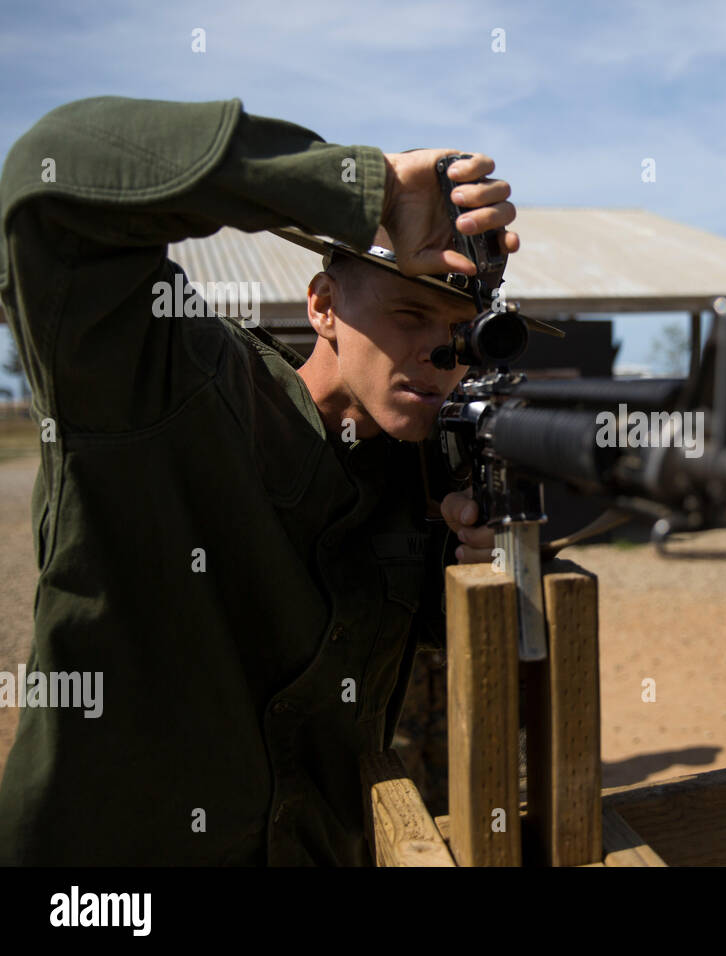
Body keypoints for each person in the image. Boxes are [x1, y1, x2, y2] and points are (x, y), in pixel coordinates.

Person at [0, 95, 510, 864]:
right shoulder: (170, 385)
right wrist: (368, 189)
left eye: (460, 335)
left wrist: (486, 569)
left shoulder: (421, 475)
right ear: (324, 305)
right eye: (410, 315)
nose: (441, 357)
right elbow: (55, 175)